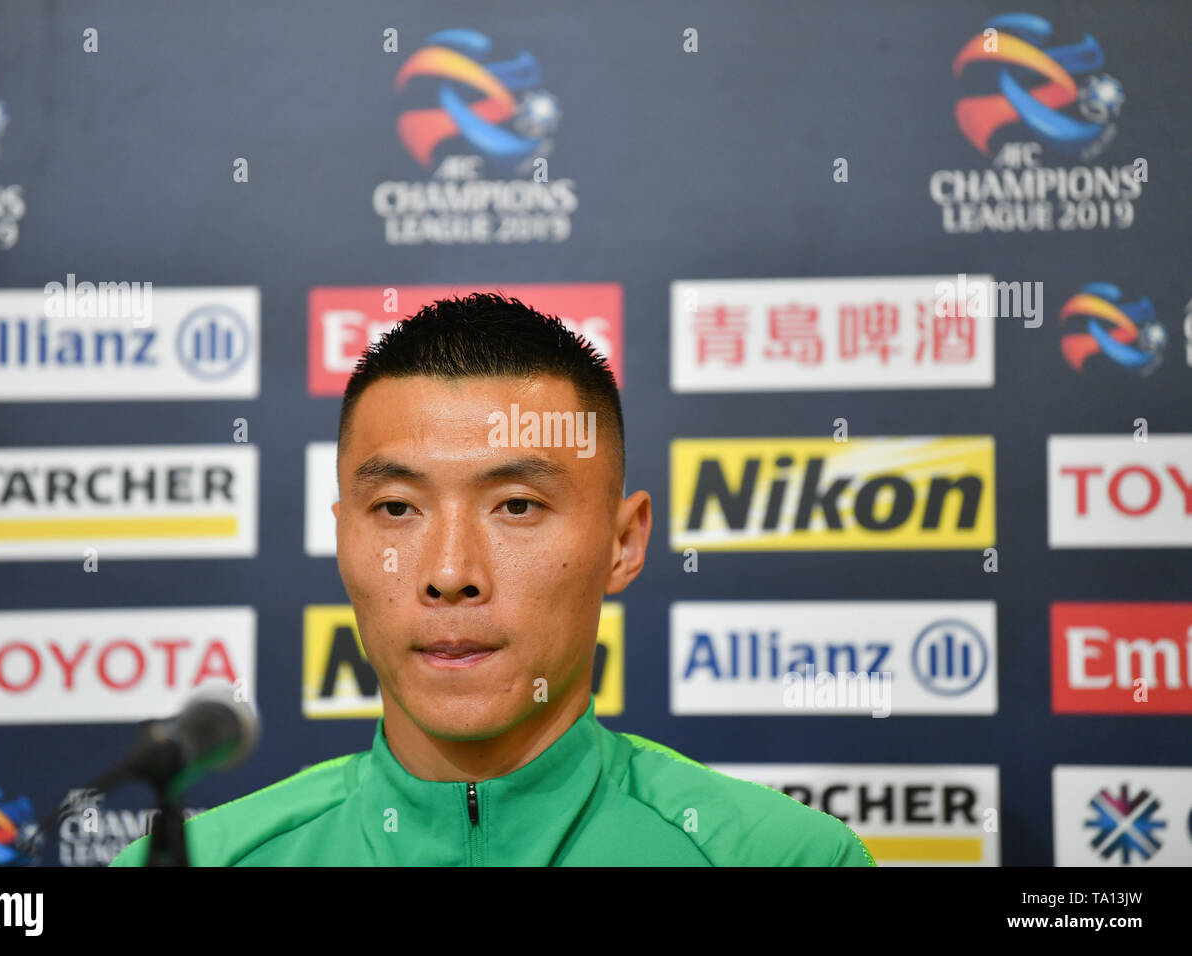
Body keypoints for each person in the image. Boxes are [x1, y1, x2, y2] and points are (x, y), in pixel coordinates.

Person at [112, 292, 875, 866]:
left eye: (516, 505)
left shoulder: (783, 858)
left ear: (623, 542)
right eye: (397, 508)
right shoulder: (195, 862)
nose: (451, 574)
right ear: (343, 536)